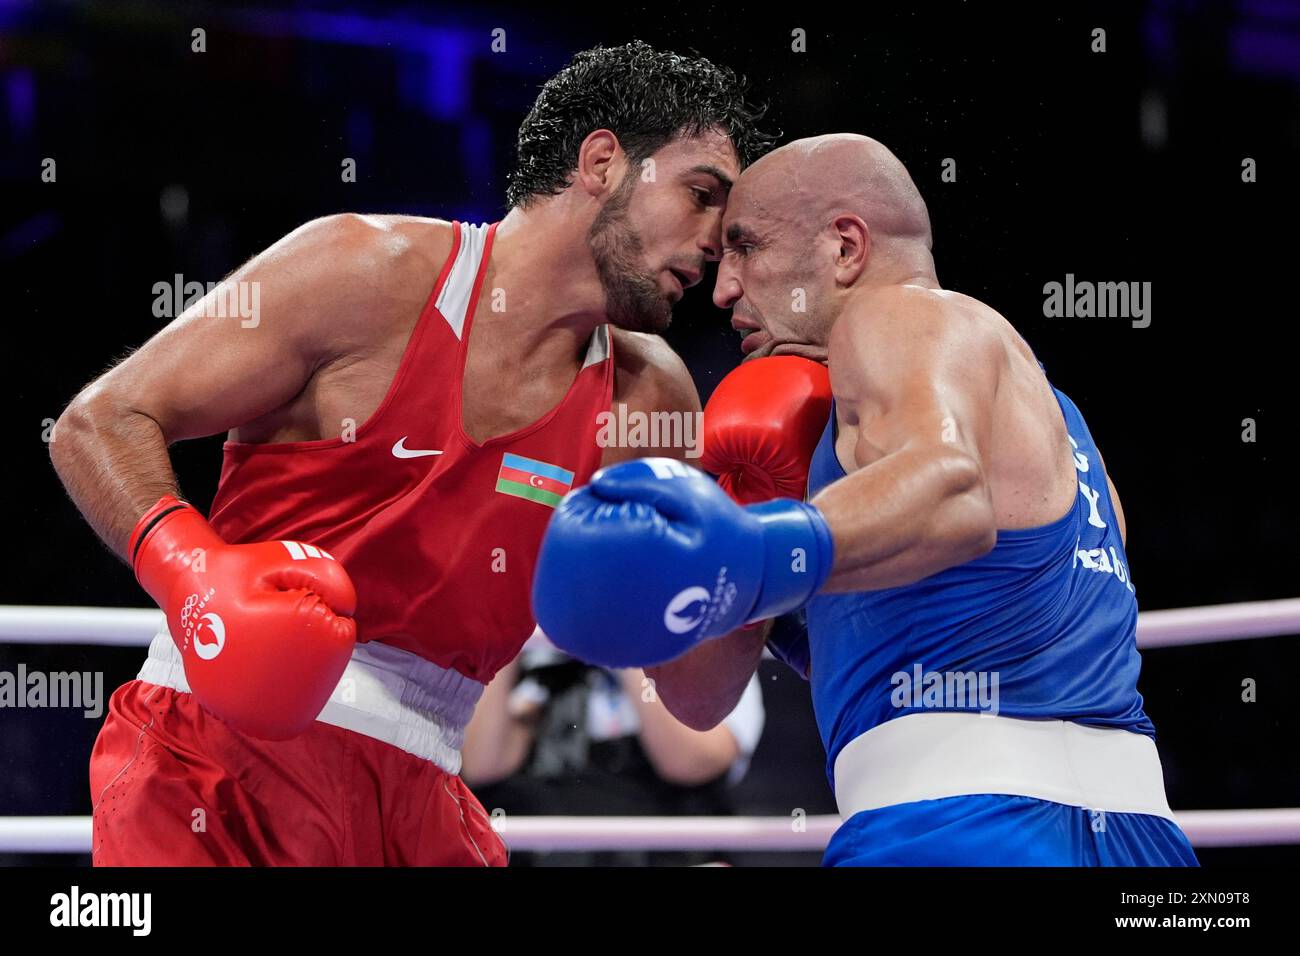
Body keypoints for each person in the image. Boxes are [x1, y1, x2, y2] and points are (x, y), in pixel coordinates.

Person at [48, 41, 773, 866]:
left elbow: (697, 696)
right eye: (701, 193)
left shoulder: (648, 399)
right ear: (603, 162)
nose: (718, 244)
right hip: (209, 760)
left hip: (419, 792)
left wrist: (752, 526)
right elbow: (101, 419)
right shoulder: (362, 270)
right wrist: (193, 574)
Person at [532, 133, 1199, 866]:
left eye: (747, 247)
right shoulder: (1063, 423)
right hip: (1140, 840)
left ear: (846, 247)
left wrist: (752, 548)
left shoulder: (896, 316)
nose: (724, 290)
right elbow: (702, 702)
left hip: (960, 829)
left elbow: (953, 495)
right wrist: (752, 578)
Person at [461, 637, 764, 866]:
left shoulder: (703, 647)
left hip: (660, 848)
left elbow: (694, 761)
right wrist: (510, 633)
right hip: (544, 849)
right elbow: (481, 764)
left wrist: (624, 640)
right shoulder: (536, 652)